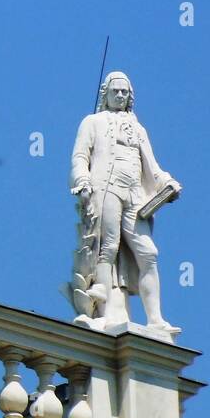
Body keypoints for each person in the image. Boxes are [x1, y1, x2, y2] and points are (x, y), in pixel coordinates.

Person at [69, 71, 180, 333]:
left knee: (149, 254)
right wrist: (82, 182)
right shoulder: (92, 122)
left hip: (135, 195)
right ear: (105, 94)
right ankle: (106, 312)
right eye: (115, 91)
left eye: (125, 92)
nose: (120, 95)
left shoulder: (139, 129)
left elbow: (152, 168)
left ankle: (156, 320)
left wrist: (167, 182)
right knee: (108, 246)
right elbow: (79, 157)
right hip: (107, 188)